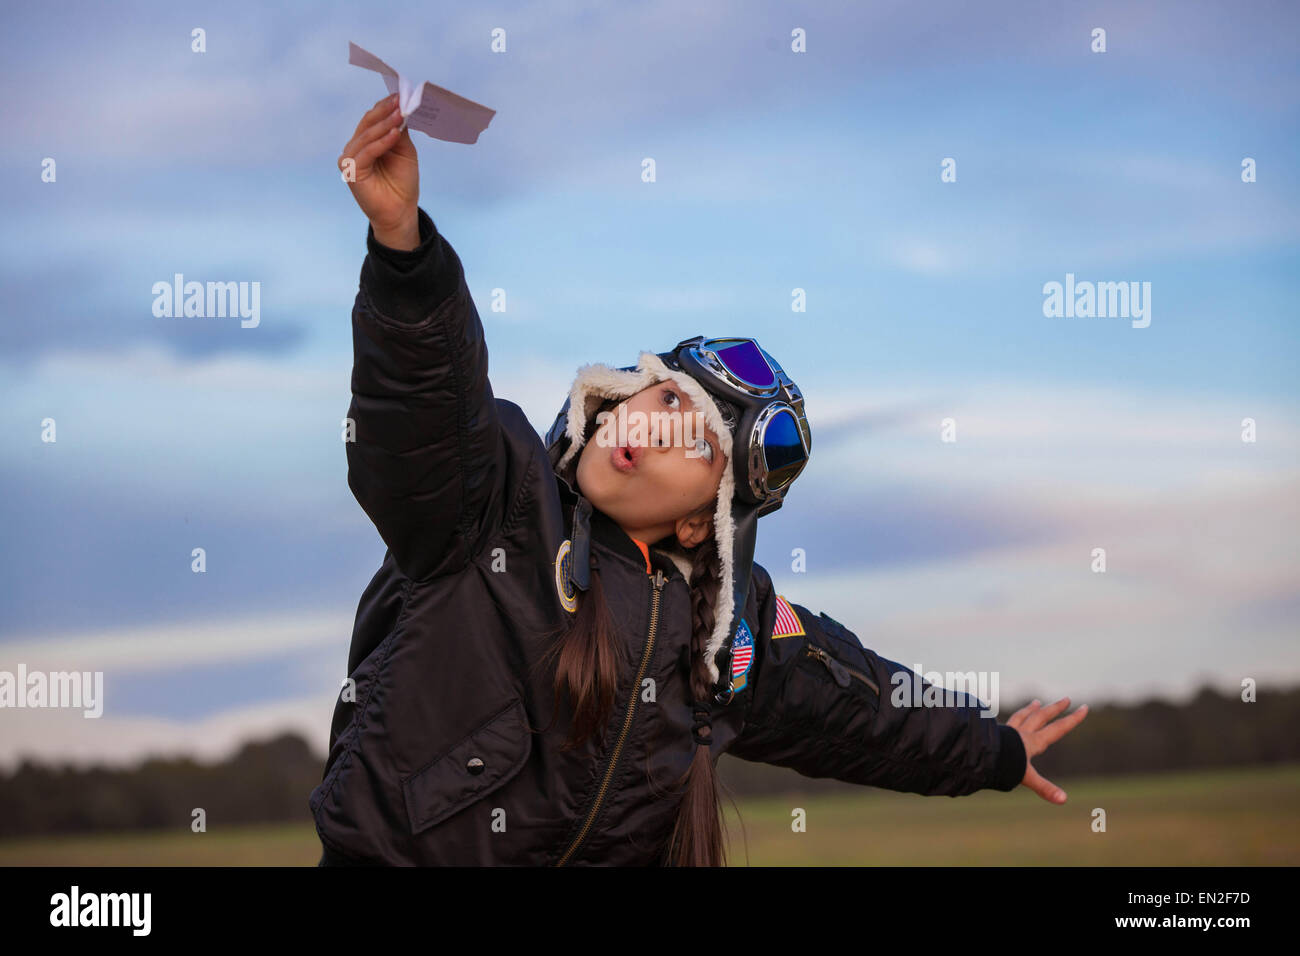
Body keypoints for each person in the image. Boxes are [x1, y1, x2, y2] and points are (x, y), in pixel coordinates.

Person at [310, 93, 1089, 866]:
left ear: (701, 523)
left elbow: (861, 708)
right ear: (622, 392)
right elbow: (421, 404)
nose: (656, 427)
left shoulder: (729, 636)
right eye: (670, 397)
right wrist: (402, 247)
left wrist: (995, 750)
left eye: (697, 443)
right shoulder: (495, 498)